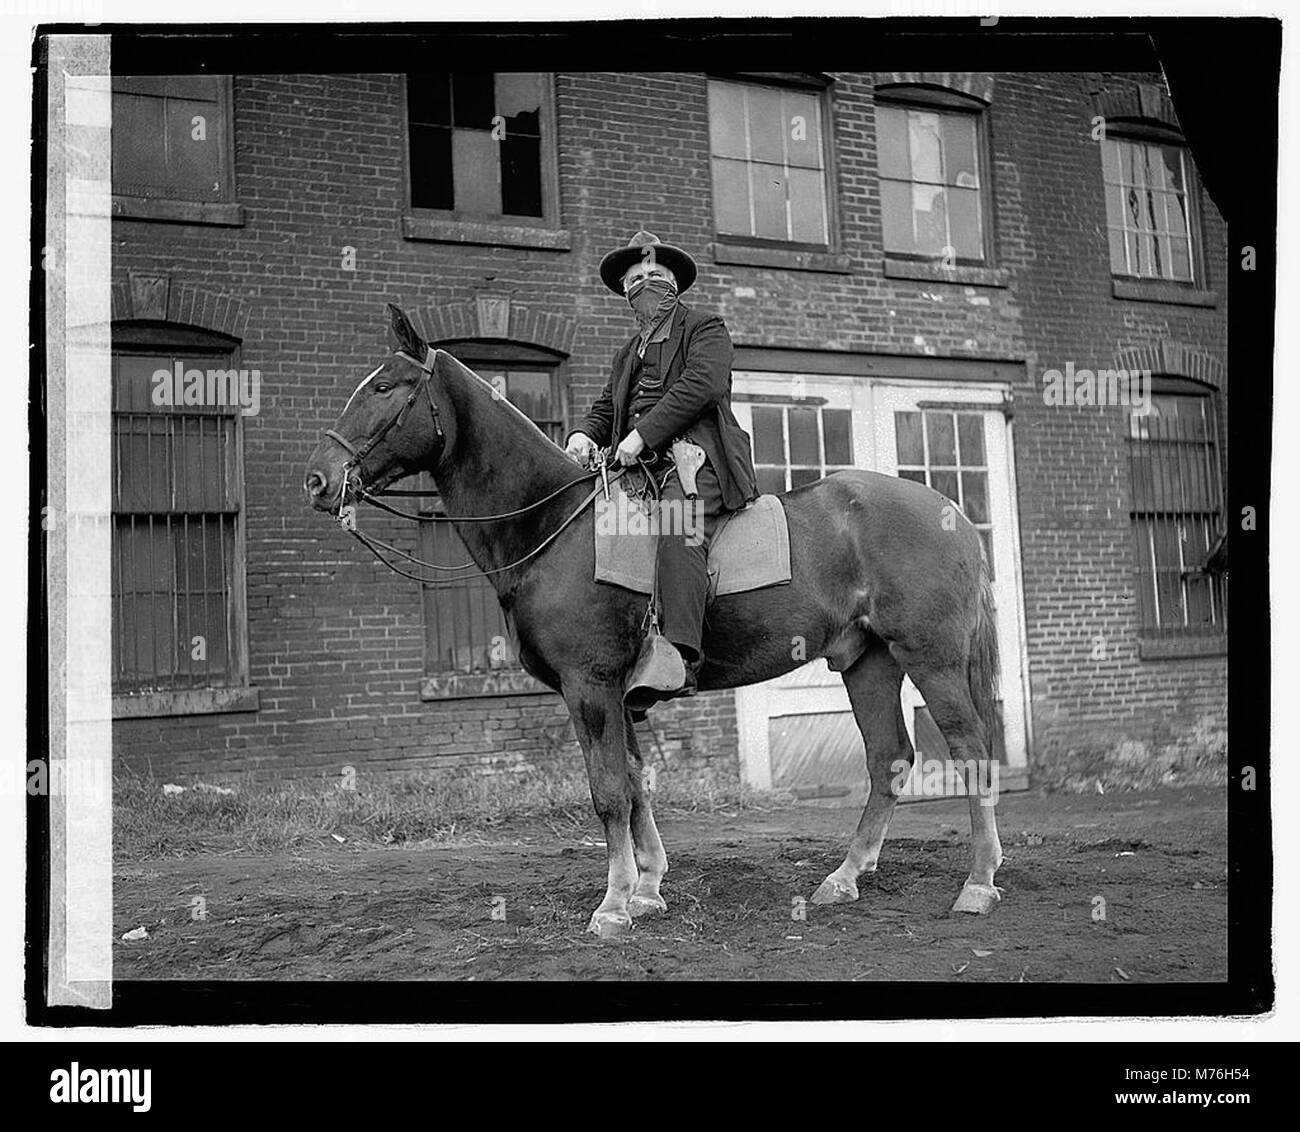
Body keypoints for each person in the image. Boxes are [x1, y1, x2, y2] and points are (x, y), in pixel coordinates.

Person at [565, 230, 759, 708]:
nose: (644, 283)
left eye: (655, 275)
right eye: (636, 279)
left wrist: (642, 435)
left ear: (675, 284)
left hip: (695, 460)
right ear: (625, 293)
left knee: (678, 528)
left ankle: (679, 658)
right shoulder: (626, 353)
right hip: (634, 469)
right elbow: (607, 407)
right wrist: (584, 434)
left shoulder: (705, 328)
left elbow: (702, 385)